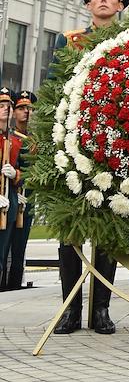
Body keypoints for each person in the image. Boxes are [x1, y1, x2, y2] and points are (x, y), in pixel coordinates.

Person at [49, 0, 129, 334]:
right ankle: (70, 309)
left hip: (115, 146)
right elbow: (53, 89)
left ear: (120, 5)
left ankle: (101, 309)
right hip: (74, 143)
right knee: (71, 229)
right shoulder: (69, 41)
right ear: (88, 3)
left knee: (107, 229)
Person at [2, 90, 35, 290]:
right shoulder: (11, 137)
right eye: (21, 108)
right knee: (5, 246)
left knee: (19, 247)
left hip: (26, 198)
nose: (26, 112)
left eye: (29, 109)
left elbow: (36, 170)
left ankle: (14, 283)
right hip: (10, 194)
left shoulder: (34, 140)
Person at [0, 87, 23, 287]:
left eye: (8, 106)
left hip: (8, 203)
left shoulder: (15, 141)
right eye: (1, 106)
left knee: (1, 255)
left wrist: (15, 174)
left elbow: (24, 171)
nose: (6, 109)